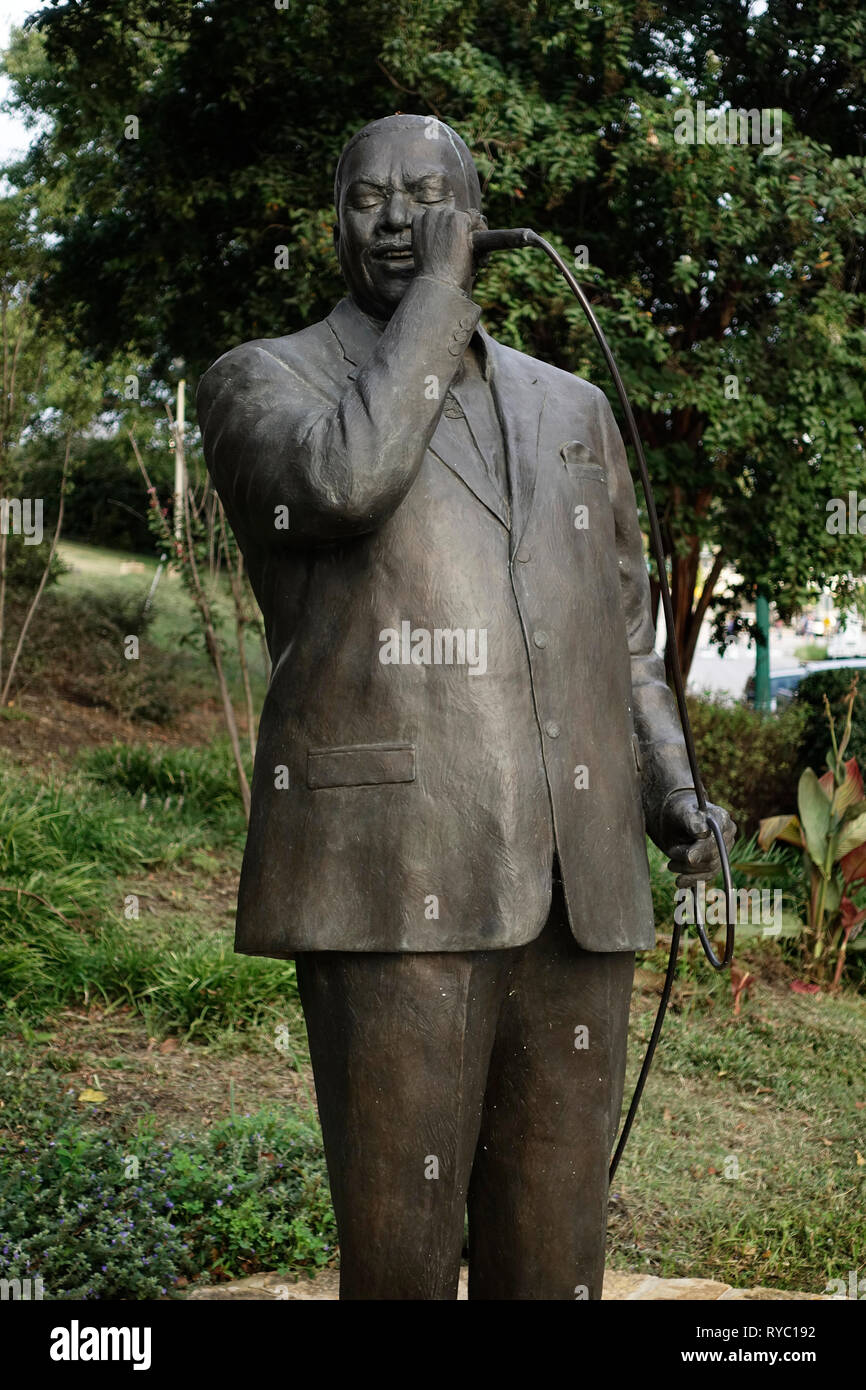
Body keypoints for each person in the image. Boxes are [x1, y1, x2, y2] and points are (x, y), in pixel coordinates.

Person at [197, 113, 735, 1300]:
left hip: (574, 886)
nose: (395, 221)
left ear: (474, 213)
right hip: (393, 872)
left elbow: (620, 637)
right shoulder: (262, 380)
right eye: (366, 198)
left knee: (553, 1256)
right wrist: (437, 304)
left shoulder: (570, 408)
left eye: (425, 196)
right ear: (332, 220)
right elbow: (343, 483)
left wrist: (671, 792)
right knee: (402, 1256)